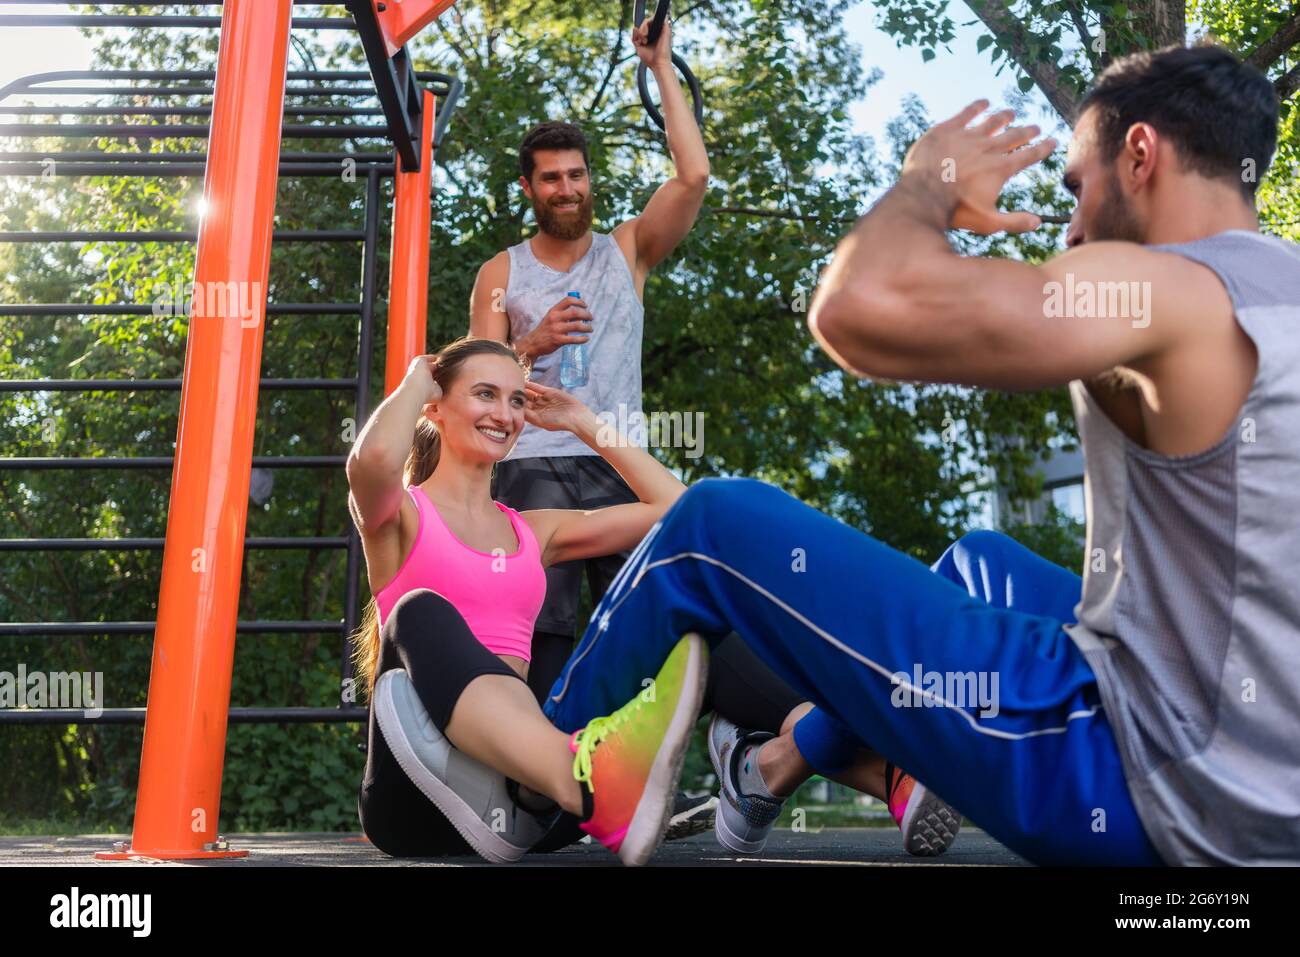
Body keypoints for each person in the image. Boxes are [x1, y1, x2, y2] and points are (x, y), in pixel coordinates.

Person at [530, 44, 1300, 866]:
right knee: (981, 562)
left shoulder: (1170, 288)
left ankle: (527, 780)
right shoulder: (1279, 280)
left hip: (1150, 783)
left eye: (1078, 187)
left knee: (710, 523)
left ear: (1141, 155)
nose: (1073, 227)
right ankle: (770, 764)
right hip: (1266, 776)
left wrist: (928, 180)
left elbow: (859, 307)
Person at [348, 337, 705, 866]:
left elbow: (678, 509)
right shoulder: (400, 518)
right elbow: (374, 458)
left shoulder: (535, 533)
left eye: (516, 400)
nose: (505, 413)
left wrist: (583, 424)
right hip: (415, 804)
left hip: (517, 807)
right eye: (485, 394)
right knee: (418, 609)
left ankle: (553, 780)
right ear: (435, 408)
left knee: (595, 661)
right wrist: (415, 378)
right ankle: (583, 780)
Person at [468, 14, 710, 710]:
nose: (567, 187)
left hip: (615, 457)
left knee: (655, 606)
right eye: (551, 178)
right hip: (529, 463)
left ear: (589, 179)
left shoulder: (628, 249)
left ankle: (634, 770)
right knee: (542, 620)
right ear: (529, 189)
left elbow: (692, 175)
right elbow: (476, 391)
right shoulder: (499, 272)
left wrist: (661, 65)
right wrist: (529, 346)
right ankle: (537, 783)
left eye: (576, 174)